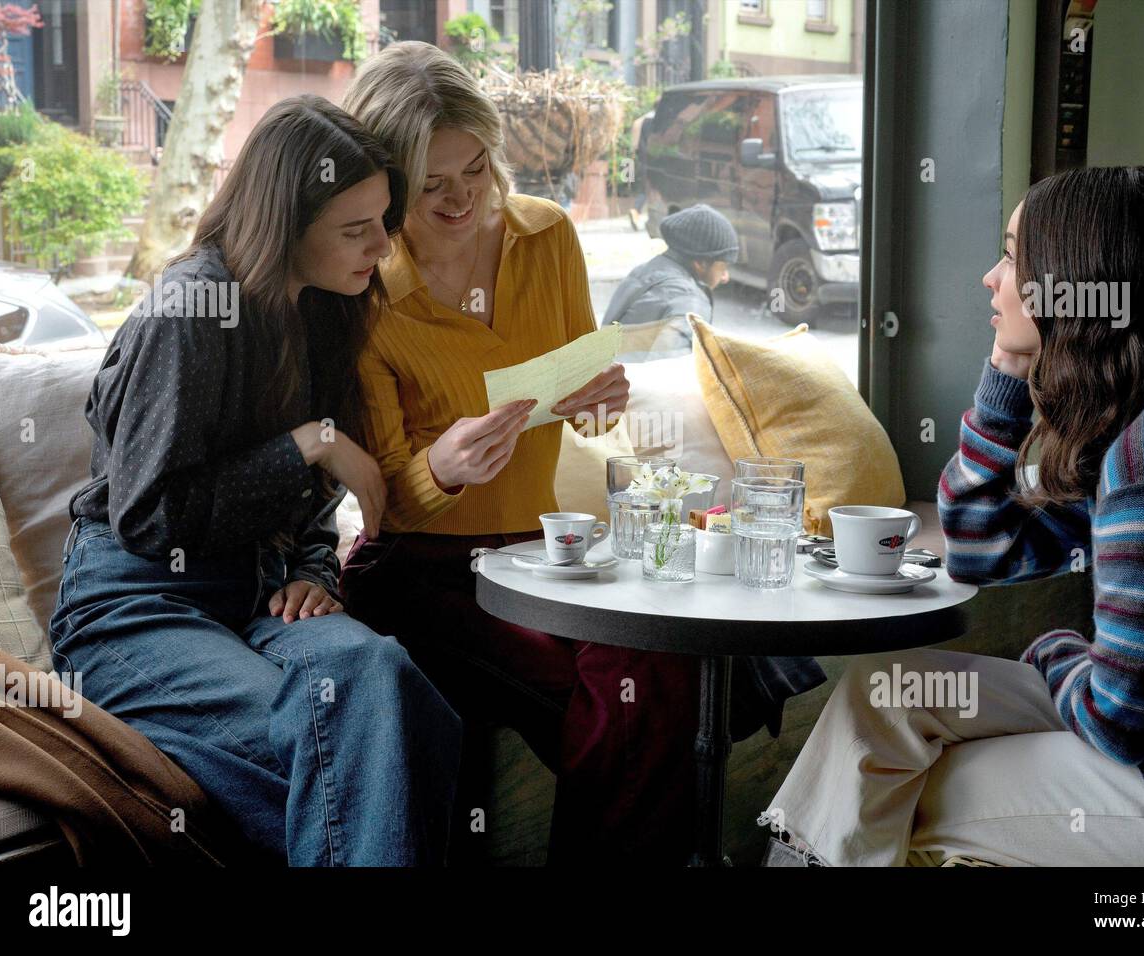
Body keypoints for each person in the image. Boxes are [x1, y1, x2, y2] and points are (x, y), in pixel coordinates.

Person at [337, 42, 822, 865]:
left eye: (477, 169)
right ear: (387, 183)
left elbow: (581, 404)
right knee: (641, 700)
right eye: (433, 184)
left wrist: (600, 402)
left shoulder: (548, 236)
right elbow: (388, 496)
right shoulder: (371, 290)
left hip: (541, 552)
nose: (462, 198)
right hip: (421, 567)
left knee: (652, 661)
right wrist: (444, 467)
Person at [760, 165, 1144, 867]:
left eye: (1011, 256)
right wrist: (1006, 363)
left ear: (1074, 286)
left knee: (883, 792)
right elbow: (980, 545)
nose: (989, 277)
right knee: (881, 695)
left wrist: (1054, 651)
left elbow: (1119, 721)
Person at [48, 95, 463, 867]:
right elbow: (150, 516)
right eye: (355, 229)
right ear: (285, 226)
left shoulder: (327, 308)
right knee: (340, 738)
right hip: (138, 606)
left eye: (382, 219)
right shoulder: (191, 309)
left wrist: (314, 571)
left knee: (387, 680)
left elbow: (311, 510)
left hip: (262, 598)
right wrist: (308, 444)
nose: (383, 243)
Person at [603, 203, 738, 358]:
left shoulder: (644, 271)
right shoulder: (688, 300)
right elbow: (672, 373)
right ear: (701, 264)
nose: (725, 277)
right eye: (723, 267)